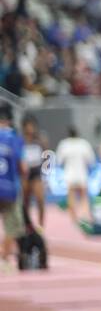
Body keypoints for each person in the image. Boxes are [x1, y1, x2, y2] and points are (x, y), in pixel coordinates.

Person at [55, 126, 97, 228]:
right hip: (81, 174)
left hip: (70, 175)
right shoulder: (84, 144)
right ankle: (85, 217)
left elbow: (59, 161)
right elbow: (91, 161)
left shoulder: (64, 144)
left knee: (71, 197)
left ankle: (74, 220)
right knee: (84, 197)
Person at [0, 105, 24, 269]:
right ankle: (3, 259)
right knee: (13, 226)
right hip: (9, 189)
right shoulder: (13, 138)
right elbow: (22, 167)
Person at [20, 114, 47, 232]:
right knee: (25, 202)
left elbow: (46, 156)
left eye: (33, 126)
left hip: (36, 174)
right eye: (29, 126)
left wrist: (46, 173)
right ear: (24, 127)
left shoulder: (40, 139)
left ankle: (40, 227)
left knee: (40, 200)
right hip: (24, 175)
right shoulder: (20, 140)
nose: (31, 128)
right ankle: (27, 226)